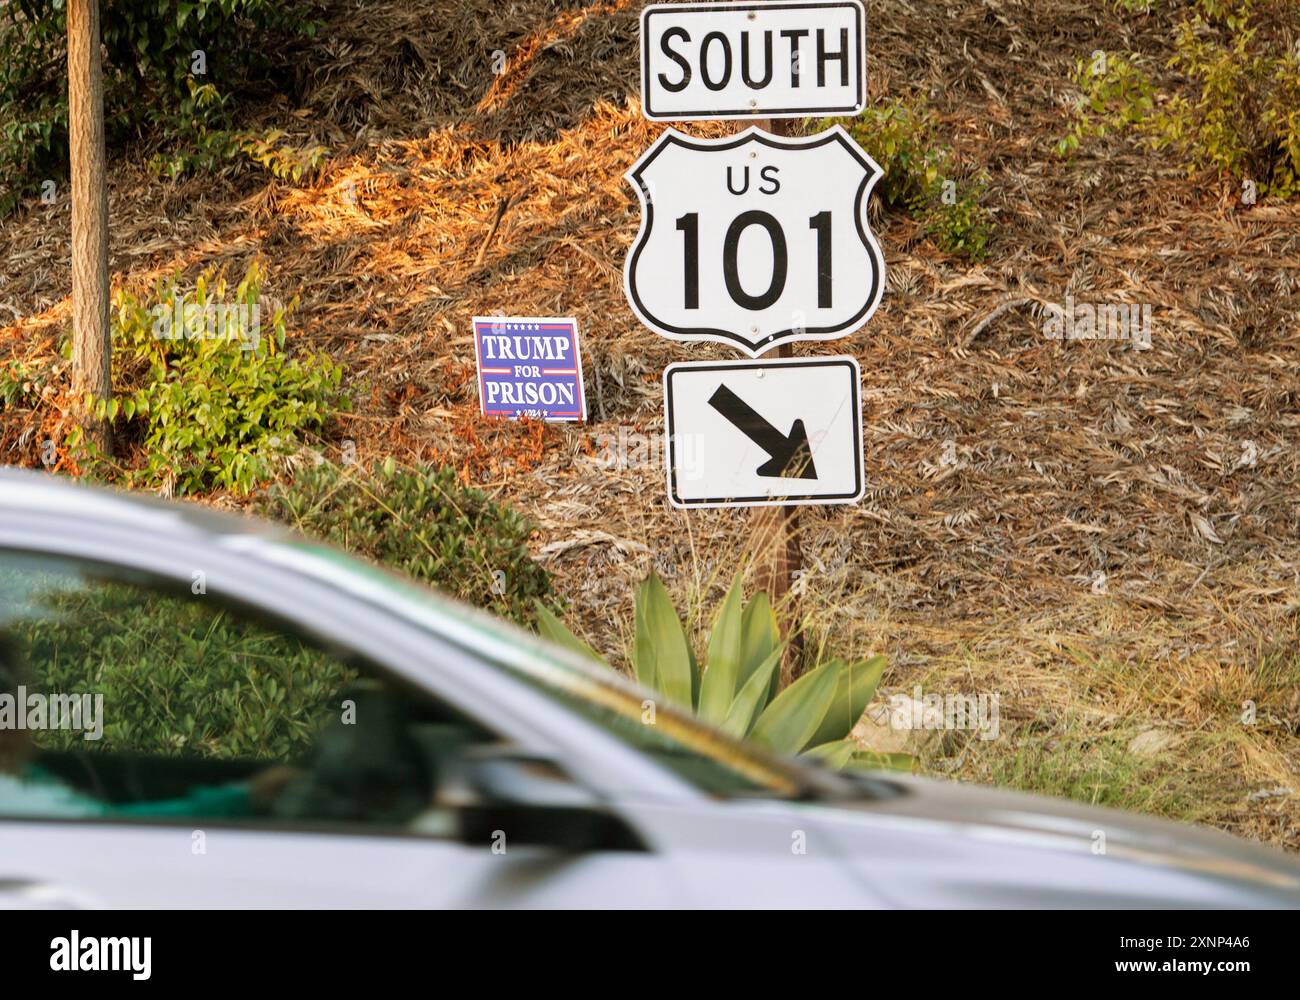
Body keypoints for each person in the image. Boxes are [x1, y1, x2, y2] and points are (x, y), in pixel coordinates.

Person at [0, 634, 293, 820]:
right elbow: (111, 836)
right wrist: (241, 800)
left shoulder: (24, 779)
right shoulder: (14, 795)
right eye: (27, 701)